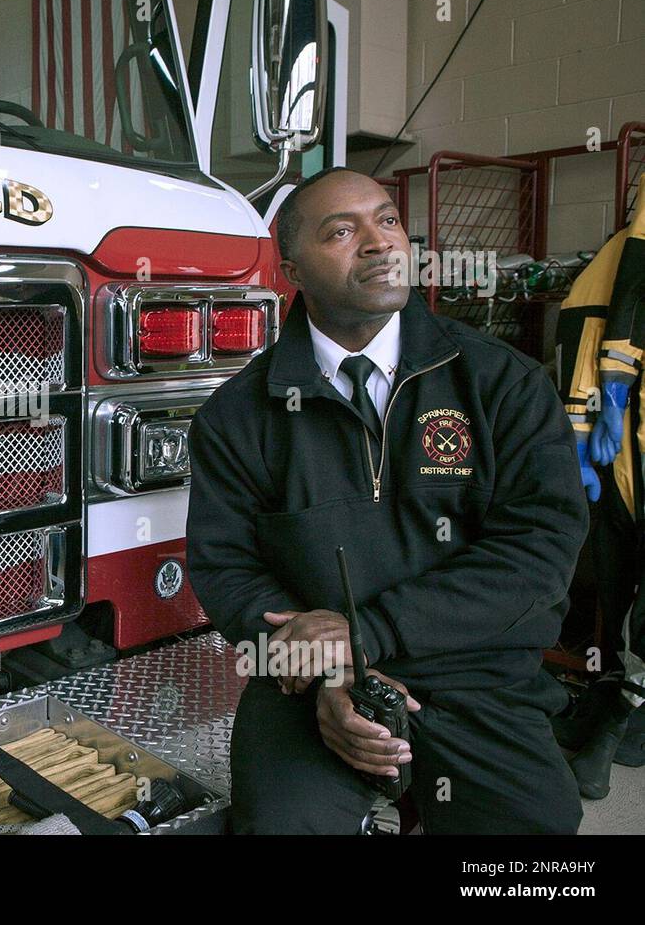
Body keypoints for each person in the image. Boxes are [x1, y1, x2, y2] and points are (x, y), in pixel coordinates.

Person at [187, 167, 588, 834]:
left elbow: (539, 553)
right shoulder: (237, 417)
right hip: (310, 686)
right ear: (293, 271)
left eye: (388, 220)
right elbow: (227, 569)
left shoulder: (501, 383)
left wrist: (366, 637)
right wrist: (320, 671)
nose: (378, 243)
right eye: (342, 231)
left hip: (476, 674)